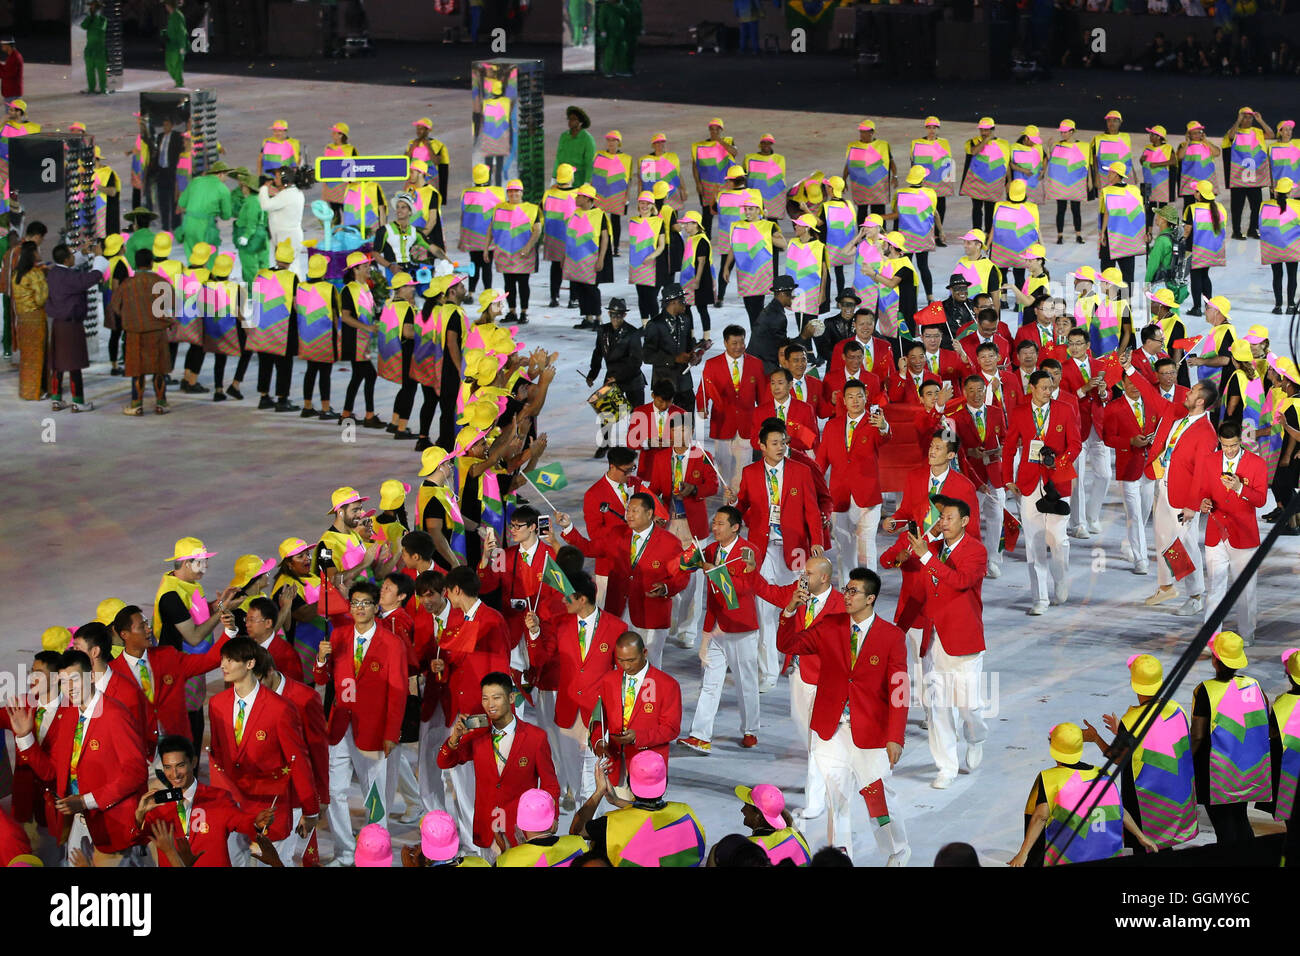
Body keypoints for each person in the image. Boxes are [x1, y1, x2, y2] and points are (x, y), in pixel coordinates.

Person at [775, 568, 910, 864]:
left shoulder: (891, 636)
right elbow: (788, 646)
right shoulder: (829, 625)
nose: (846, 596)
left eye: (853, 591)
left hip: (870, 735)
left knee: (878, 800)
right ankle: (840, 856)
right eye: (846, 590)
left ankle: (896, 852)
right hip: (830, 730)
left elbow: (899, 691)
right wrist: (788, 611)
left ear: (870, 598)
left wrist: (895, 737)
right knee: (837, 800)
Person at [6, 650, 148, 867]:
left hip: (112, 821)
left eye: (75, 679)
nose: (69, 688)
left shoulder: (115, 715)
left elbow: (136, 773)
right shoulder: (70, 714)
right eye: (63, 682)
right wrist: (25, 737)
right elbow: (51, 773)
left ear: (91, 676)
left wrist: (85, 800)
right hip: (78, 820)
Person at [729, 420, 828, 689]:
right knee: (764, 610)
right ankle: (768, 672)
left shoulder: (801, 471)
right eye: (775, 443)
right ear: (761, 446)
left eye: (784, 442)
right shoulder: (750, 473)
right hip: (762, 551)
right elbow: (742, 507)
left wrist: (816, 542)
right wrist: (733, 504)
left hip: (795, 550)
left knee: (796, 604)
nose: (781, 447)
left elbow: (812, 511)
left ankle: (794, 656)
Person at [313, 580, 407, 865]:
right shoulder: (338, 636)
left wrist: (391, 732)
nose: (360, 608)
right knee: (334, 792)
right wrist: (320, 659)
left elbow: (399, 691)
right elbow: (321, 679)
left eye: (366, 603)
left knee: (373, 793)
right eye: (355, 603)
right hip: (340, 724)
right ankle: (343, 851)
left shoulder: (391, 643)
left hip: (374, 729)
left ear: (376, 606)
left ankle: (375, 849)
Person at [209, 637, 319, 866]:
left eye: (230, 660)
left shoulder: (280, 708)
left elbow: (297, 760)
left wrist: (310, 809)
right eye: (222, 660)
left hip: (269, 807)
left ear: (250, 664)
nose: (223, 665)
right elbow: (218, 756)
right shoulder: (217, 703)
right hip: (233, 808)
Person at [1123, 362, 1219, 616]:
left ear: (1201, 402)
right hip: (1163, 486)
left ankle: (1196, 595)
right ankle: (1166, 585)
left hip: (1183, 497)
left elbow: (1202, 474)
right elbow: (1153, 398)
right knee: (1164, 540)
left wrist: (1192, 504)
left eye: (1192, 391)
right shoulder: (1179, 413)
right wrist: (1130, 371)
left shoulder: (1207, 434)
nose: (1186, 392)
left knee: (1186, 545)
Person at [524, 569, 625, 807]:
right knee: (573, 772)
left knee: (594, 773)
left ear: (581, 599)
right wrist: (535, 632)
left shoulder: (616, 627)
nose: (562, 600)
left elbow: (621, 674)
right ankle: (583, 818)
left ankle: (591, 828)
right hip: (568, 712)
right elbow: (541, 658)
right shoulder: (561, 626)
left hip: (598, 714)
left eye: (567, 596)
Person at [1080, 654, 1200, 852]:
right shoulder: (1177, 709)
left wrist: (1096, 738)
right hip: (1173, 795)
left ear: (1134, 684)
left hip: (1144, 800)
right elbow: (1157, 736)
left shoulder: (1132, 719)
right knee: (1164, 845)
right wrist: (1122, 732)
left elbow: (1117, 758)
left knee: (1145, 847)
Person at [909, 496, 988, 789]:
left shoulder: (976, 551)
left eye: (949, 517)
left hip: (964, 638)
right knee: (939, 706)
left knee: (969, 706)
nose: (943, 522)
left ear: (965, 521)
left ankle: (976, 736)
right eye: (941, 518)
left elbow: (961, 581)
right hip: (935, 639)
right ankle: (946, 766)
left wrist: (927, 558)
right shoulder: (933, 549)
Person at [557, 493, 688, 670]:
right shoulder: (617, 533)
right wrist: (568, 528)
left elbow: (682, 576)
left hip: (650, 614)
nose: (629, 515)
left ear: (649, 514)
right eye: (628, 510)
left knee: (650, 665)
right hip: (619, 609)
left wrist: (666, 588)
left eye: (634, 511)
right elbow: (589, 548)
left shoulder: (669, 543)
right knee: (617, 662)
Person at [436, 672, 560, 857]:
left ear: (511, 697)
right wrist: (455, 738)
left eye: (496, 698)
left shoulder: (535, 738)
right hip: (487, 830)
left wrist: (552, 816)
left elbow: (550, 783)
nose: (490, 705)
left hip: (521, 829)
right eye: (485, 698)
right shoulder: (477, 736)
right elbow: (444, 762)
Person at [1009, 722, 1158, 866]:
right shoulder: (1102, 773)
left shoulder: (1049, 778)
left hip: (1072, 857)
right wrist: (1141, 836)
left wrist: (1023, 853)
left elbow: (1040, 817)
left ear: (1053, 748)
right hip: (1105, 854)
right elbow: (1119, 809)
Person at [677, 506, 761, 753]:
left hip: (742, 628)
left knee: (746, 682)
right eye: (714, 523)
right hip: (717, 628)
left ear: (735, 527)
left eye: (720, 523)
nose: (714, 528)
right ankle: (700, 735)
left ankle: (750, 731)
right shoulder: (711, 551)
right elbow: (710, 596)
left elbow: (745, 588)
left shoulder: (748, 552)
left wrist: (715, 572)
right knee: (710, 683)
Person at [1004, 370, 1083, 615]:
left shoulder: (1064, 409)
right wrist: (1008, 479)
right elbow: (1008, 448)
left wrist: (1058, 462)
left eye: (1051, 387)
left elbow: (1075, 444)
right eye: (1044, 388)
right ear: (1032, 388)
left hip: (1058, 480)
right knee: (1034, 541)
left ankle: (1060, 580)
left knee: (1058, 538)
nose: (1049, 392)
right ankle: (1040, 598)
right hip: (1028, 482)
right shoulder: (1019, 412)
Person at [108, 602, 228, 757]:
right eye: (142, 626)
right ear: (124, 634)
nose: (148, 629)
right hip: (141, 751)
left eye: (147, 624)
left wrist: (229, 633)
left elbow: (208, 661)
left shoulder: (168, 656)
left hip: (178, 744)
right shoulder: (112, 672)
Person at [134, 734, 271, 867]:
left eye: (180, 765)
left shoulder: (218, 797)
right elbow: (138, 840)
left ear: (193, 762)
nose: (174, 774)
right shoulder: (158, 806)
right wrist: (140, 816)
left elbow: (241, 821)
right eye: (168, 767)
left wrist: (257, 823)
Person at [1190, 632, 1272, 845]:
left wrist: (1186, 762)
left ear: (1215, 660)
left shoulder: (1204, 690)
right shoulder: (1255, 686)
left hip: (1217, 774)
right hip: (1246, 771)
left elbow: (1197, 737)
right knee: (1240, 818)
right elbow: (1267, 721)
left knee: (1224, 826)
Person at [1194, 421, 1266, 645]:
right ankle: (1212, 636)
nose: (1230, 450)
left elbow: (1261, 500)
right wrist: (1203, 502)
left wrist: (1239, 488)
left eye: (1234, 445)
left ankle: (1246, 633)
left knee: (1245, 588)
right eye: (1225, 446)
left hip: (1244, 535)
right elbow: (1202, 491)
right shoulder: (1209, 461)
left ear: (1240, 441)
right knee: (1215, 586)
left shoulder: (1257, 464)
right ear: (1219, 442)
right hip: (1215, 533)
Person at [572, 750, 706, 867]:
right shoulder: (685, 812)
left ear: (630, 783)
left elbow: (577, 830)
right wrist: (617, 801)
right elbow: (649, 816)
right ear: (665, 783)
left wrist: (599, 792)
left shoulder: (610, 824)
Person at [817, 380, 891, 572]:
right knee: (844, 546)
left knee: (867, 544)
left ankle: (868, 589)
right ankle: (846, 589)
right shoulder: (832, 426)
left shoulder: (874, 422)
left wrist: (884, 426)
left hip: (867, 494)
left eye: (859, 396)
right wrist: (815, 489)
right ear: (844, 400)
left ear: (866, 398)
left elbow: (885, 437)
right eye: (850, 396)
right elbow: (821, 461)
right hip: (839, 494)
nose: (855, 400)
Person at [951, 374, 1007, 577]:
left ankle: (993, 559)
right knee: (970, 521)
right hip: (971, 477)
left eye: (980, 390)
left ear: (986, 391)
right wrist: (968, 452)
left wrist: (1002, 450)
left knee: (997, 517)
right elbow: (954, 449)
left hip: (994, 474)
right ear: (964, 392)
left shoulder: (995, 412)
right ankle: (972, 560)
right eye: (971, 390)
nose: (976, 394)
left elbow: (1004, 438)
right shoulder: (956, 418)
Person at [1103, 374, 1157, 575]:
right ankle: (1140, 559)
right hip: (1128, 468)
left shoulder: (1152, 404)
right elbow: (1108, 438)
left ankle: (1131, 542)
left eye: (1138, 383)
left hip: (1150, 468)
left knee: (1142, 515)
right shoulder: (1114, 408)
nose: (1134, 387)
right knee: (1134, 515)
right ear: (1122, 384)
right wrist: (1130, 442)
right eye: (1130, 383)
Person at [112, 248, 177, 414]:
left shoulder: (127, 284)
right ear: (151, 263)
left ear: (135, 263)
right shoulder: (161, 282)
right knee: (159, 368)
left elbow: (115, 306)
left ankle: (136, 405)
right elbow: (172, 306)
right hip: (157, 332)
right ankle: (161, 404)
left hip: (134, 333)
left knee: (137, 369)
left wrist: (130, 317)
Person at [487, 179, 541, 324]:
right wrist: (486, 248)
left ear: (522, 192)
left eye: (516, 190)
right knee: (508, 284)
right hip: (505, 254)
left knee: (523, 284)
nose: (513, 193)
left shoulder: (531, 209)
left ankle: (524, 312)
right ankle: (512, 311)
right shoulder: (499, 208)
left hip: (523, 254)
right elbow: (491, 230)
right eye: (510, 191)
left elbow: (537, 231)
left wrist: (528, 247)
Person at [642, 282, 700, 411]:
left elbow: (689, 345)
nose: (685, 303)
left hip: (684, 380)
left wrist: (695, 356)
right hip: (664, 382)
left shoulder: (685, 319)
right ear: (672, 302)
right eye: (682, 300)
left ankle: (688, 432)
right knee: (668, 423)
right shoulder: (655, 324)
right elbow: (647, 356)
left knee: (687, 416)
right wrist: (674, 359)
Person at [495, 788, 588, 866]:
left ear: (520, 824)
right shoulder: (578, 844)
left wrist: (507, 853)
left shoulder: (507, 861)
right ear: (552, 821)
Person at [1223, 107, 1274, 240]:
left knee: (1256, 205)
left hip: (1254, 178)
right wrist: (1238, 120)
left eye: (1250, 117)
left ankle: (1252, 229)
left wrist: (1260, 121)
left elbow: (1271, 135)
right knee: (1237, 207)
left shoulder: (1257, 131)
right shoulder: (1235, 131)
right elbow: (1231, 136)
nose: (1248, 119)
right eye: (1245, 117)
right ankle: (1236, 231)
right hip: (1238, 177)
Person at [736, 783, 812, 865]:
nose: (742, 810)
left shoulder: (749, 848)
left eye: (746, 805)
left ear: (758, 814)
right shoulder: (792, 834)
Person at [1183, 180, 1228, 316]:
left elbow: (1187, 231)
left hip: (1195, 249)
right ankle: (1209, 306)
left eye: (1196, 191)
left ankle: (1197, 308)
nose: (1194, 193)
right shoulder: (1220, 208)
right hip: (1211, 249)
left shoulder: (1192, 209)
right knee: (1205, 276)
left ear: (1200, 194)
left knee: (1196, 277)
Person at [9, 240, 47, 401]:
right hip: (36, 319)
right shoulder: (35, 274)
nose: (39, 254)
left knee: (27, 357)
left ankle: (26, 391)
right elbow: (40, 299)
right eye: (37, 252)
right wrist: (44, 281)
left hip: (22, 320)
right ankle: (36, 391)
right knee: (38, 356)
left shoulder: (16, 274)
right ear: (32, 255)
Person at [1261, 178, 1300, 314]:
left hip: (1273, 247)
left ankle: (1278, 306)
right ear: (1289, 191)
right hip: (1292, 247)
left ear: (1275, 191)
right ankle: (1290, 305)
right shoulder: (1297, 205)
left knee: (1277, 276)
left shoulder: (1265, 205)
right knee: (1292, 276)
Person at [749, 275, 796, 376]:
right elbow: (784, 348)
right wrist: (805, 336)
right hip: (764, 368)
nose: (794, 296)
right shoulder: (778, 317)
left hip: (755, 363)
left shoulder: (771, 309)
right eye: (792, 293)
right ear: (783, 294)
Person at [151, 116, 184, 231]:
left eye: (167, 125)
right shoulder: (160, 137)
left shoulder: (177, 137)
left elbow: (180, 153)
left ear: (172, 125)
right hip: (162, 172)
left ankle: (176, 225)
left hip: (172, 172)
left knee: (174, 199)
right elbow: (157, 155)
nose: (165, 127)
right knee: (162, 200)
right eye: (164, 125)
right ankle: (165, 225)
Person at [555, 106, 596, 188]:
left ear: (580, 122)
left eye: (573, 119)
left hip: (579, 180)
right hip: (563, 179)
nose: (570, 122)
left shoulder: (587, 139)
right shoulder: (564, 136)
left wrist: (587, 182)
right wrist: (554, 177)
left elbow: (589, 163)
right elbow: (558, 158)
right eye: (569, 119)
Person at [81, 2, 107, 94]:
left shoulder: (102, 20)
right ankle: (91, 88)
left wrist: (94, 17)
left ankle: (103, 88)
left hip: (99, 50)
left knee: (101, 71)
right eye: (91, 7)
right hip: (90, 49)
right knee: (89, 70)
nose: (91, 8)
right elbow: (83, 26)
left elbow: (100, 29)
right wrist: (90, 18)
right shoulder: (89, 19)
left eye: (94, 7)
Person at [162, 0, 186, 87]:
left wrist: (182, 46)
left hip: (177, 45)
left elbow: (182, 31)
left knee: (177, 66)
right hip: (171, 45)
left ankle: (179, 84)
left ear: (169, 5)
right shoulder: (172, 16)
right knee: (169, 65)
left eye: (166, 5)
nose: (165, 7)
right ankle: (178, 82)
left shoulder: (177, 15)